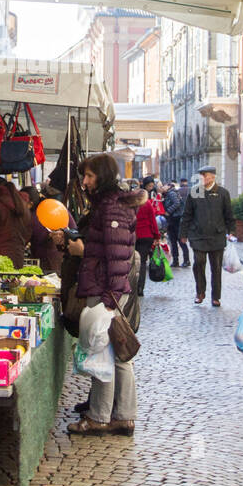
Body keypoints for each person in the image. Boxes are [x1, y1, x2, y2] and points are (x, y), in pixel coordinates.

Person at [65, 154, 142, 436]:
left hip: (105, 289)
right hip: (107, 288)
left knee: (104, 352)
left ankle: (98, 416)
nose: (84, 182)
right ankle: (123, 416)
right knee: (120, 351)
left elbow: (118, 257)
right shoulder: (110, 205)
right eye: (84, 176)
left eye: (89, 176)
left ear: (103, 176)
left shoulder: (111, 208)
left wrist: (109, 300)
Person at [181, 164, 235, 306]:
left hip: (217, 236)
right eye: (201, 175)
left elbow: (229, 214)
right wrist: (183, 234)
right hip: (198, 235)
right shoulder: (194, 192)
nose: (202, 178)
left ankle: (215, 297)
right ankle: (200, 292)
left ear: (213, 177)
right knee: (198, 263)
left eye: (204, 175)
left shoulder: (222, 193)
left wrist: (231, 231)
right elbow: (186, 215)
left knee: (216, 267)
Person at [22, 184, 75, 276]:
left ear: (30, 204)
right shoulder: (55, 206)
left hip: (47, 262)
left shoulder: (33, 217)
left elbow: (23, 240)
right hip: (62, 259)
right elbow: (74, 229)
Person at [133, 175, 162, 297]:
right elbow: (153, 222)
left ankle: (132, 286)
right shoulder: (148, 204)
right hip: (146, 237)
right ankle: (140, 288)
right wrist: (157, 236)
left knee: (133, 262)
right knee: (143, 262)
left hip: (134, 236)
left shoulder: (132, 205)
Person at [164, 177, 191, 267]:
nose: (163, 187)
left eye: (164, 185)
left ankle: (185, 260)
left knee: (179, 240)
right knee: (173, 240)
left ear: (169, 186)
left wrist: (168, 212)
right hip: (174, 219)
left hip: (176, 219)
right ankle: (177, 260)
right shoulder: (169, 193)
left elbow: (176, 203)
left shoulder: (171, 193)